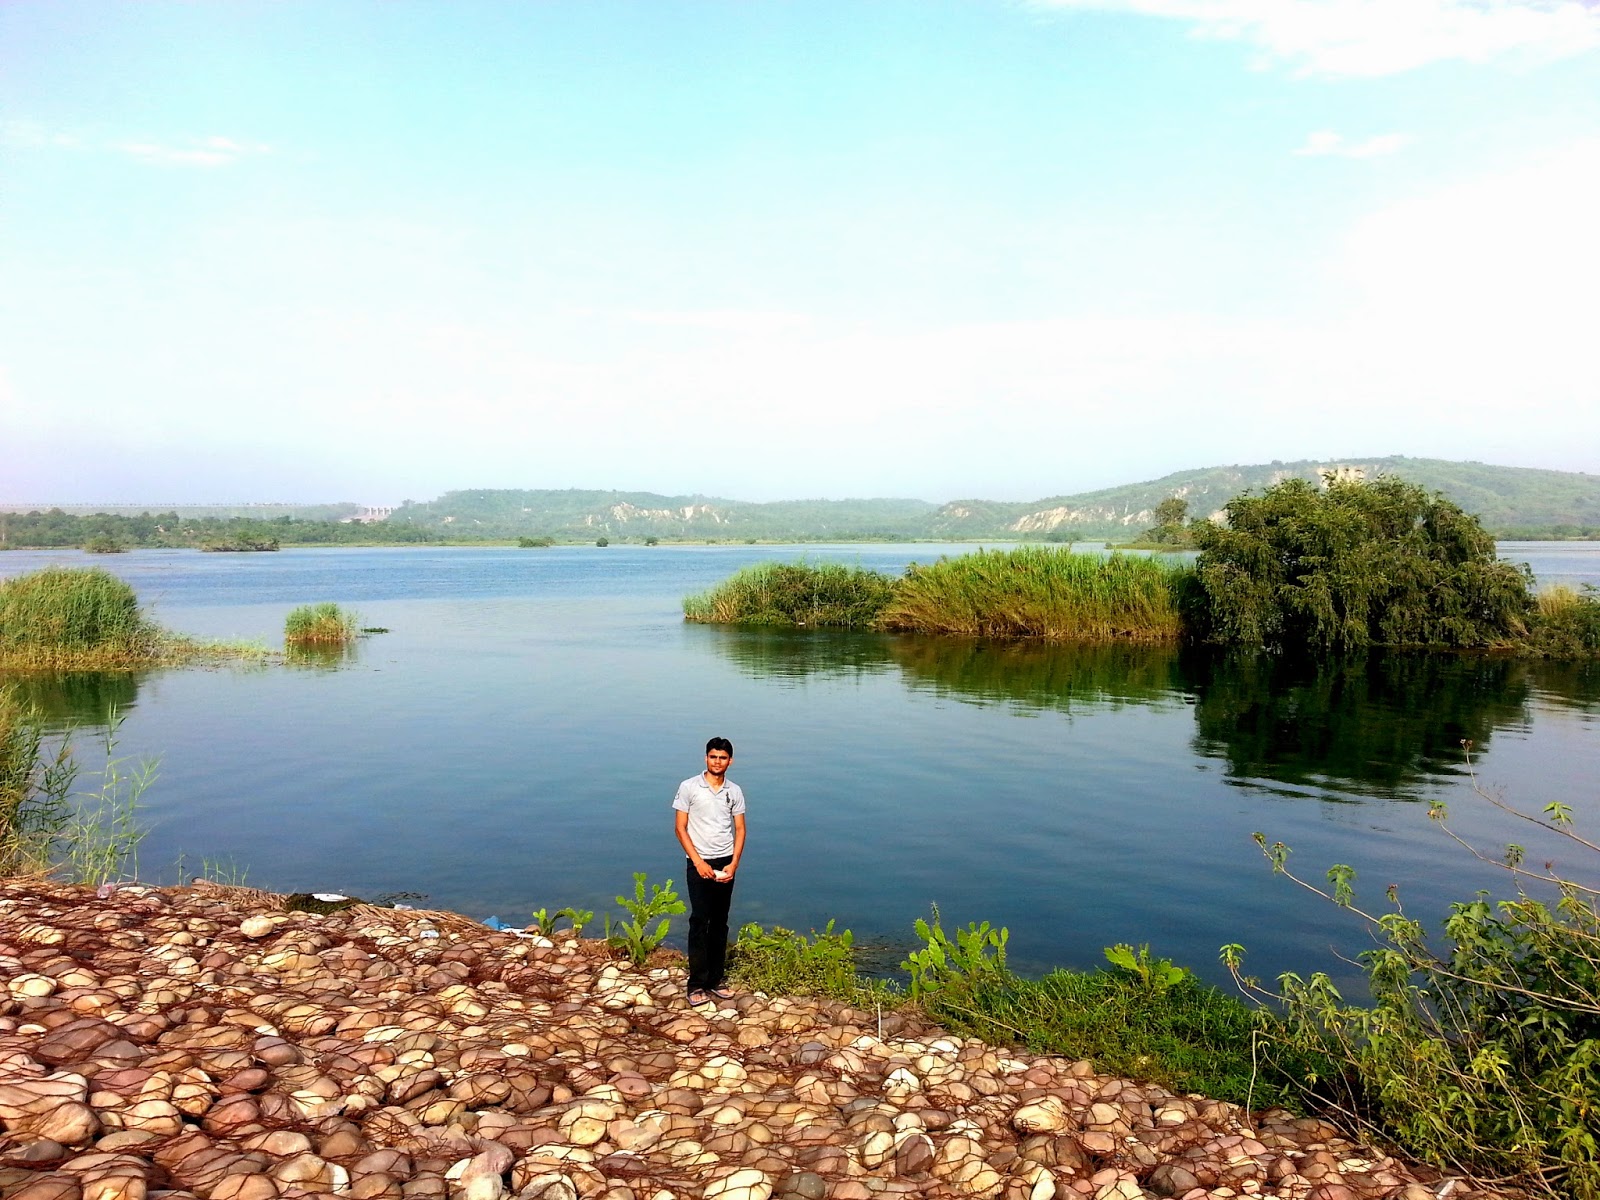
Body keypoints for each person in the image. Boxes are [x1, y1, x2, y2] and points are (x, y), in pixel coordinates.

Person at [672, 736, 746, 1007]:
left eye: (723, 757)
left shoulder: (734, 791)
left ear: (730, 761)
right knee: (699, 921)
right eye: (713, 756)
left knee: (720, 922)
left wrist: (733, 864)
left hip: (725, 861)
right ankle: (696, 984)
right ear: (706, 758)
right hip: (698, 860)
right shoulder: (689, 787)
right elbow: (680, 828)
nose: (718, 761)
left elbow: (740, 829)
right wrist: (699, 862)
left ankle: (716, 980)